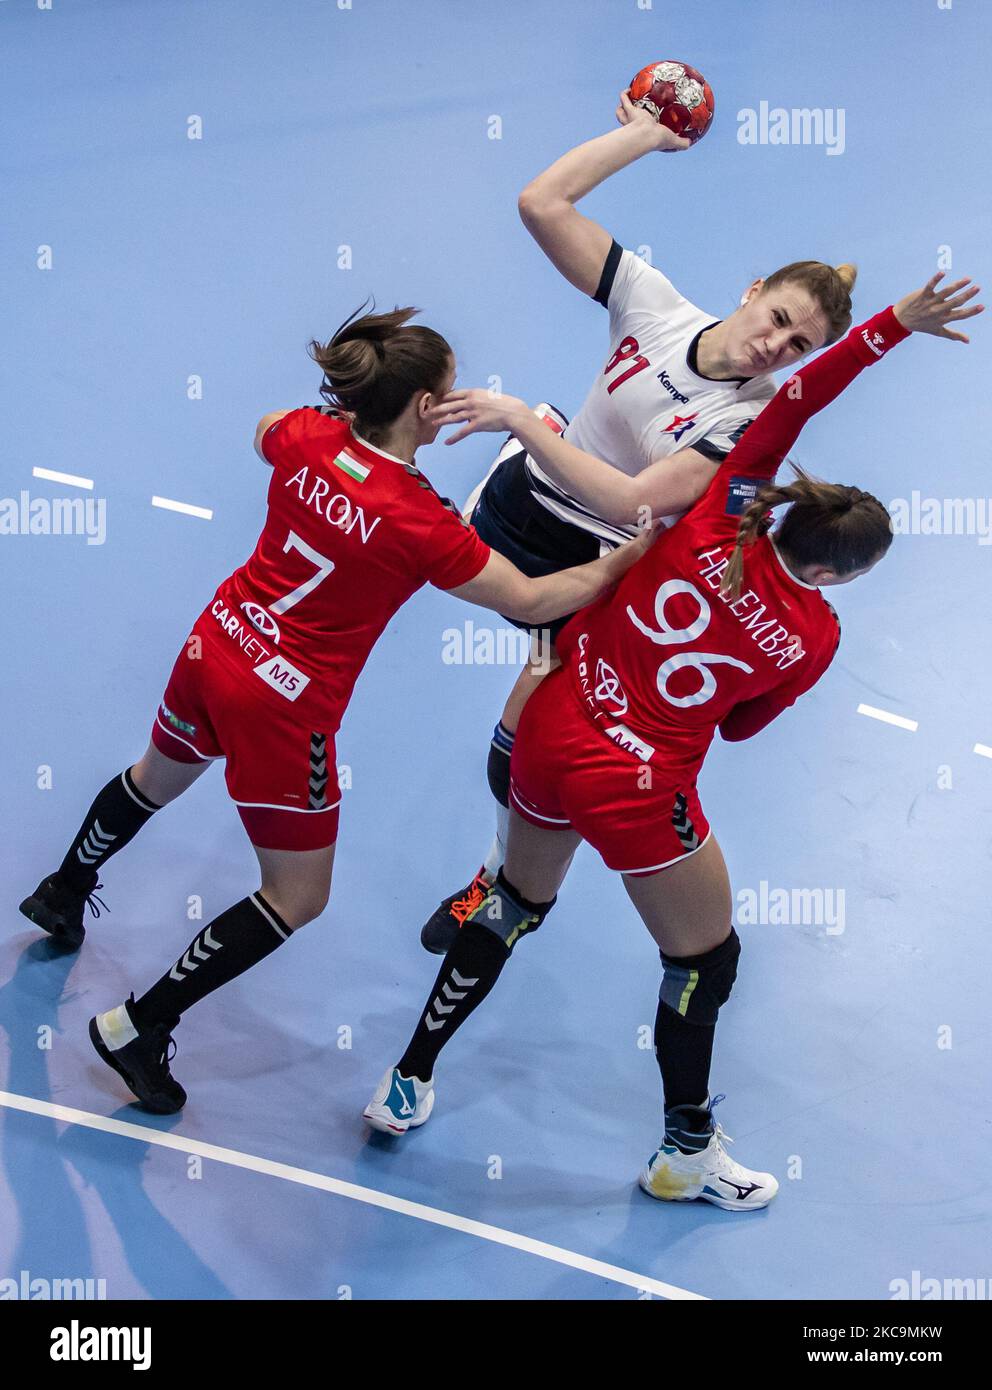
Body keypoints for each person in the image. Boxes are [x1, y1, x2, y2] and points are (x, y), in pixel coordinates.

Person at [367, 275, 982, 1211]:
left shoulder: (721, 506)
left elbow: (806, 394)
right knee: (706, 961)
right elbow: (737, 722)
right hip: (635, 780)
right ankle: (686, 1150)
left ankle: (406, 1077)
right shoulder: (814, 638)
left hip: (551, 729)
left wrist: (897, 322)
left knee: (517, 899)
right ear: (826, 574)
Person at [17, 305, 653, 1114]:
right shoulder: (424, 524)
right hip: (284, 705)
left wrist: (335, 434)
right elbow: (531, 598)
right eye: (450, 388)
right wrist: (626, 558)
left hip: (218, 640)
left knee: (154, 777)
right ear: (427, 407)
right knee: (297, 896)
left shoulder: (307, 437)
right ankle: (142, 1025)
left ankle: (65, 888)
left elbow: (265, 427)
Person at [422, 90, 863, 950]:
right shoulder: (655, 306)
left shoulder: (744, 422)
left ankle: (498, 882)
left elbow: (632, 502)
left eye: (798, 346)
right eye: (778, 319)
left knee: (524, 733)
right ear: (753, 291)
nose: (778, 346)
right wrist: (643, 135)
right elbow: (540, 203)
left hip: (605, 564)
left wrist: (520, 420)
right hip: (521, 505)